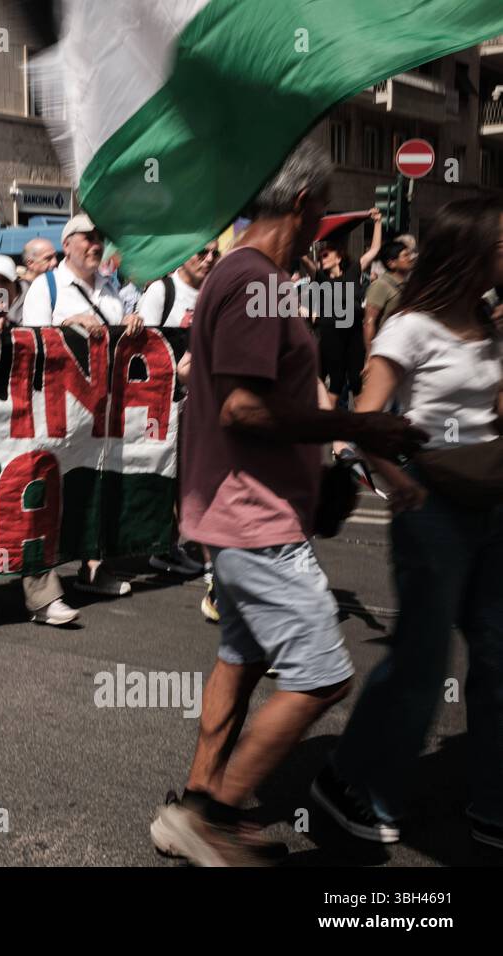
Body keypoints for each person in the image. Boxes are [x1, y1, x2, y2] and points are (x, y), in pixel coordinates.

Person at [148, 139, 427, 866]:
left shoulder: (245, 275)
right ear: (302, 206)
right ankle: (214, 814)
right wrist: (356, 426)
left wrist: (326, 454)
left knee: (240, 661)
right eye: (322, 210)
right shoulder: (252, 281)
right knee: (322, 673)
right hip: (253, 518)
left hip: (242, 512)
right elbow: (243, 409)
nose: (322, 226)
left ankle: (194, 795)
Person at [313, 198, 503, 852]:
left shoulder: (489, 321)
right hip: (431, 502)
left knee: (498, 652)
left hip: (491, 500)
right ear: (471, 247)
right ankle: (352, 783)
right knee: (422, 663)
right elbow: (365, 422)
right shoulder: (409, 328)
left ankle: (493, 801)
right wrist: (395, 482)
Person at [0, 255, 81, 627]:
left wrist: (64, 328)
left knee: (29, 507)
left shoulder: (18, 327)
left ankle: (43, 597)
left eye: (6, 283)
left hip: (17, 432)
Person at [18, 213, 141, 598]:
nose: (95, 244)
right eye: (87, 238)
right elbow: (29, 344)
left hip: (101, 412)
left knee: (96, 491)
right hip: (57, 412)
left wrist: (131, 323)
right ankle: (44, 587)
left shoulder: (110, 287)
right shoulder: (46, 287)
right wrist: (67, 324)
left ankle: (93, 569)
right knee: (51, 496)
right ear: (67, 243)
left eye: (99, 238)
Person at [139, 240, 220, 583]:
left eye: (214, 252)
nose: (209, 259)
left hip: (208, 402)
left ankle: (181, 549)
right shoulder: (162, 291)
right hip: (168, 404)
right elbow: (140, 353)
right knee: (181, 481)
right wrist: (176, 374)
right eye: (202, 252)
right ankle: (204, 558)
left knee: (199, 479)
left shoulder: (215, 291)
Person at [313, 209, 384, 408]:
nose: (322, 258)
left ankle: (362, 433)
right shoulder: (320, 277)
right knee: (335, 383)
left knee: (356, 382)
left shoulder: (353, 271)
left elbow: (375, 249)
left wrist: (377, 222)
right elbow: (303, 257)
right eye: (320, 256)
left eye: (326, 254)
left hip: (353, 336)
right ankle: (331, 433)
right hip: (331, 336)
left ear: (338, 257)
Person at [363, 238, 414, 352]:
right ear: (391, 263)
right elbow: (369, 323)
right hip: (386, 349)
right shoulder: (381, 285)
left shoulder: (407, 285)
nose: (411, 258)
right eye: (405, 255)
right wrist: (370, 355)